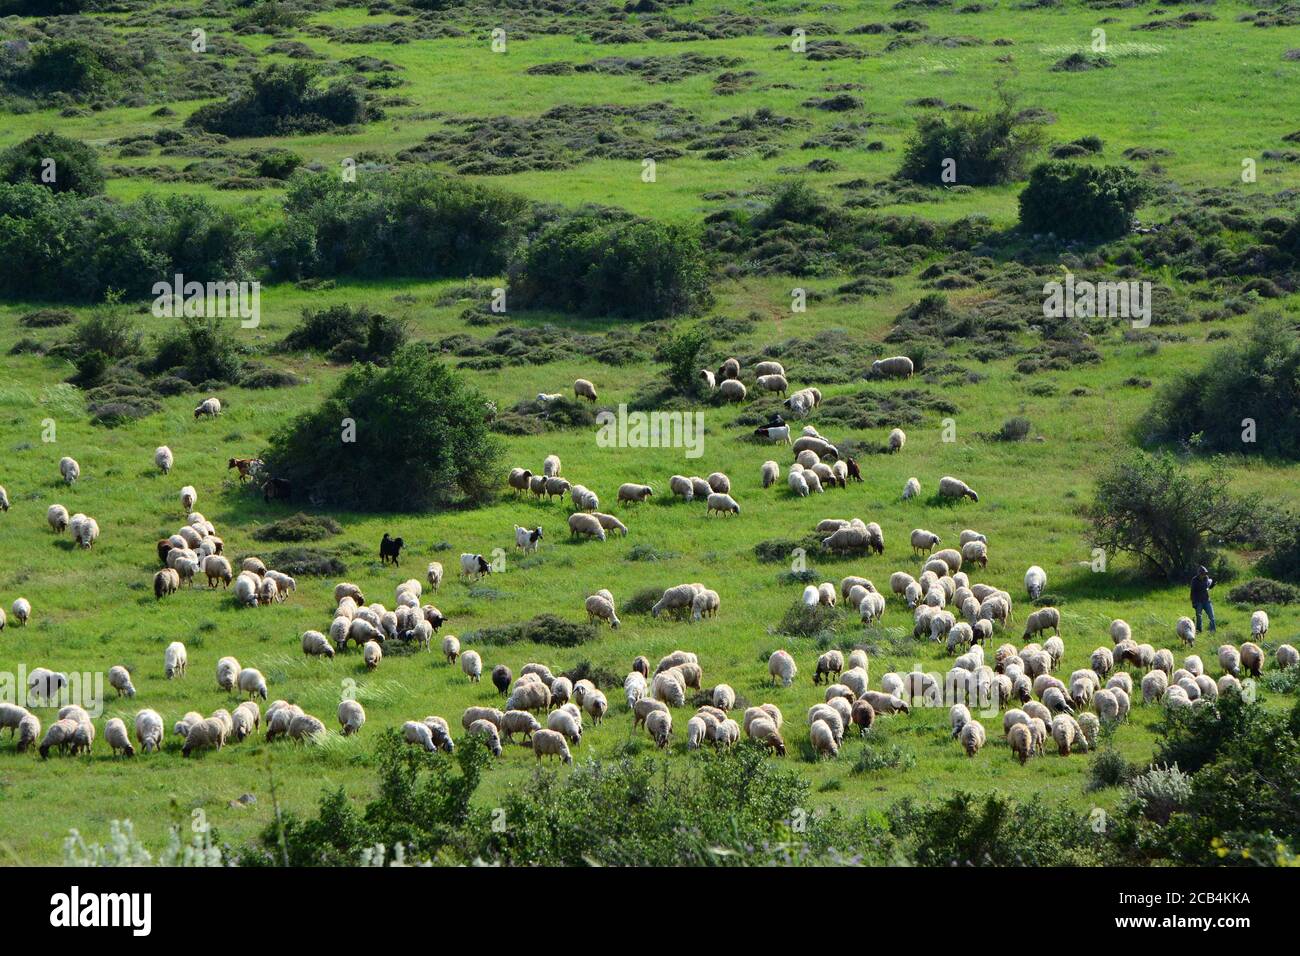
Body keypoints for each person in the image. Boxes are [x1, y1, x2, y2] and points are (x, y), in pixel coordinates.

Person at [1190, 565, 1215, 634]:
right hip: (1198, 602)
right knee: (1199, 617)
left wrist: (1212, 585)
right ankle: (1199, 630)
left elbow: (1208, 587)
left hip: (1206, 600)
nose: (1204, 575)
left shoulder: (1206, 578)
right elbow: (1192, 592)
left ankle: (1212, 631)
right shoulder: (1194, 580)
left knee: (1211, 616)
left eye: (1205, 574)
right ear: (1199, 574)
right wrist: (1193, 603)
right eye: (1203, 574)